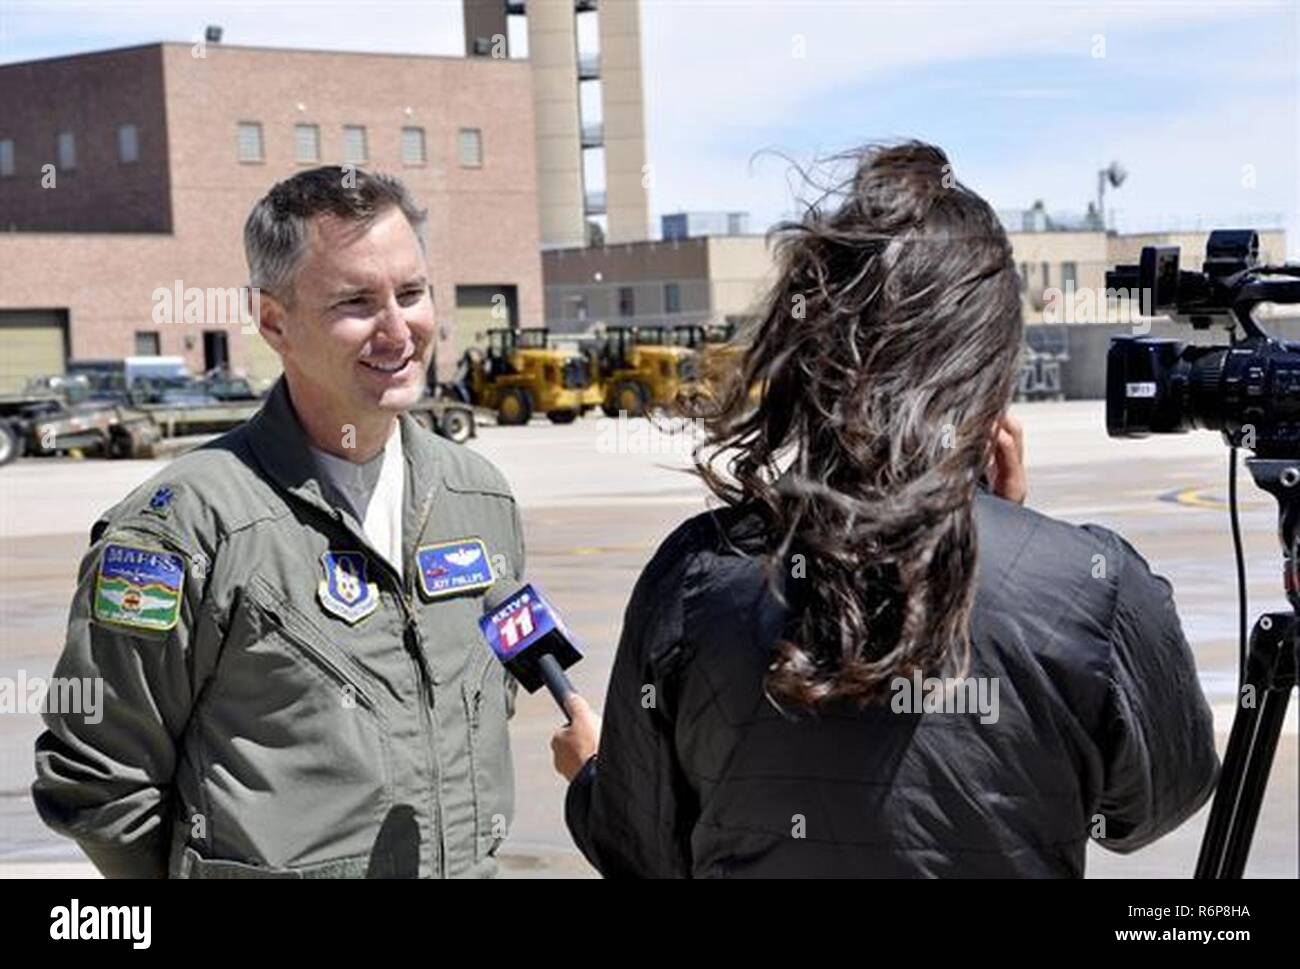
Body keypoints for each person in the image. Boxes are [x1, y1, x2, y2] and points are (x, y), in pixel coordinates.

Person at [551, 141, 1219, 877]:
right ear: (986, 359)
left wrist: (591, 777)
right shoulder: (1092, 583)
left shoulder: (694, 574)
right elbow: (1150, 807)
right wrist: (1012, 536)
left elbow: (641, 848)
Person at [33, 167, 524, 878]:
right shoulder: (182, 531)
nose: (398, 329)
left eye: (411, 293)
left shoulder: (479, 501)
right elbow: (98, 776)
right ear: (273, 322)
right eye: (356, 302)